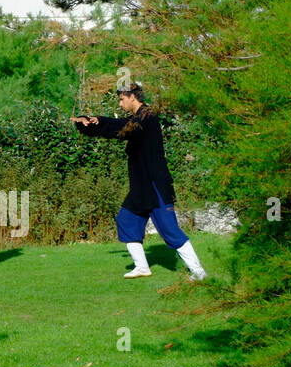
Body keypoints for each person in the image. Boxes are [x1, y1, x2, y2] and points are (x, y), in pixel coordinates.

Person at [71, 82, 208, 281]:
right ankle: (142, 267)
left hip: (154, 185)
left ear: (132, 96)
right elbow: (120, 126)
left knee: (170, 231)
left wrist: (98, 122)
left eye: (121, 99)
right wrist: (91, 123)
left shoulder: (147, 116)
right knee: (126, 220)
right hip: (141, 188)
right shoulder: (138, 118)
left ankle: (200, 274)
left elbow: (122, 129)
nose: (120, 104)